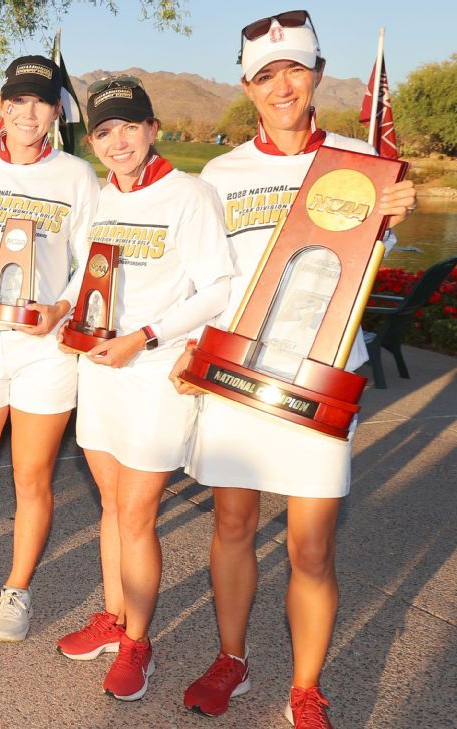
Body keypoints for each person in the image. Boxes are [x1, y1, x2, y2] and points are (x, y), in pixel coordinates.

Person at [181, 13, 416, 726]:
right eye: (265, 74)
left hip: (318, 376)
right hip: (238, 375)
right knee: (232, 522)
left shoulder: (360, 160)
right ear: (246, 86)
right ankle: (232, 658)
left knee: (311, 544)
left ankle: (305, 687)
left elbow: (370, 255)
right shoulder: (221, 173)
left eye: (294, 69)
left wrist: (395, 205)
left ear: (315, 72)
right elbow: (209, 277)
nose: (281, 86)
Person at [53, 76, 233, 702]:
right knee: (109, 506)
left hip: (154, 377)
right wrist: (65, 316)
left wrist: (146, 338)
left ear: (152, 128)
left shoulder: (191, 194)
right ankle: (115, 618)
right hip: (102, 372)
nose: (118, 140)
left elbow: (216, 288)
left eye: (130, 126)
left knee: (136, 515)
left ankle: (139, 642)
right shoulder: (101, 196)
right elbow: (89, 278)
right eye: (104, 131)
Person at [0, 56, 100, 641]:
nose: (30, 112)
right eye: (19, 101)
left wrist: (61, 307)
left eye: (43, 101)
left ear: (57, 111)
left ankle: (17, 590)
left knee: (33, 478)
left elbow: (91, 260)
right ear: (2, 108)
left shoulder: (77, 177)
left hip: (46, 347)